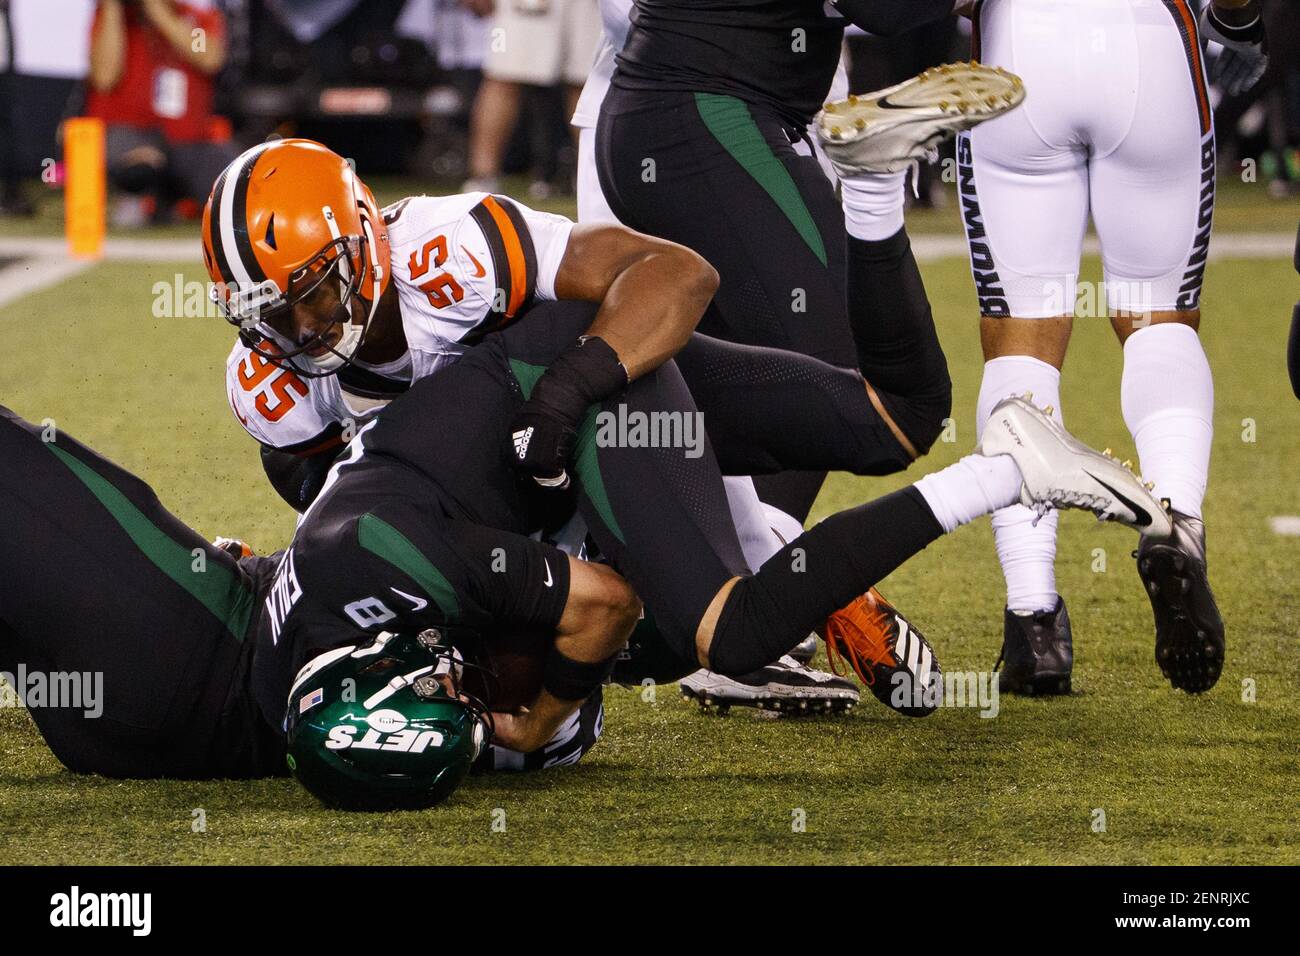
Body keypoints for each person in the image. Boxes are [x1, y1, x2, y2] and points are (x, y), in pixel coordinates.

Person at [954, 0, 1268, 695]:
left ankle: (1034, 621)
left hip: (1020, 50)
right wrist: (1240, 25)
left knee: (1021, 340)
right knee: (1159, 320)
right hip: (1149, 44)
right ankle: (1176, 520)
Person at [86, 0, 235, 223]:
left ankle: (175, 204)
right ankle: (139, 198)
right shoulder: (113, 17)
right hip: (132, 135)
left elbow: (208, 58)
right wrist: (112, 8)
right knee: (138, 163)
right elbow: (105, 77)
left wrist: (157, 10)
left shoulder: (194, 16)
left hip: (190, 140)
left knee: (234, 180)